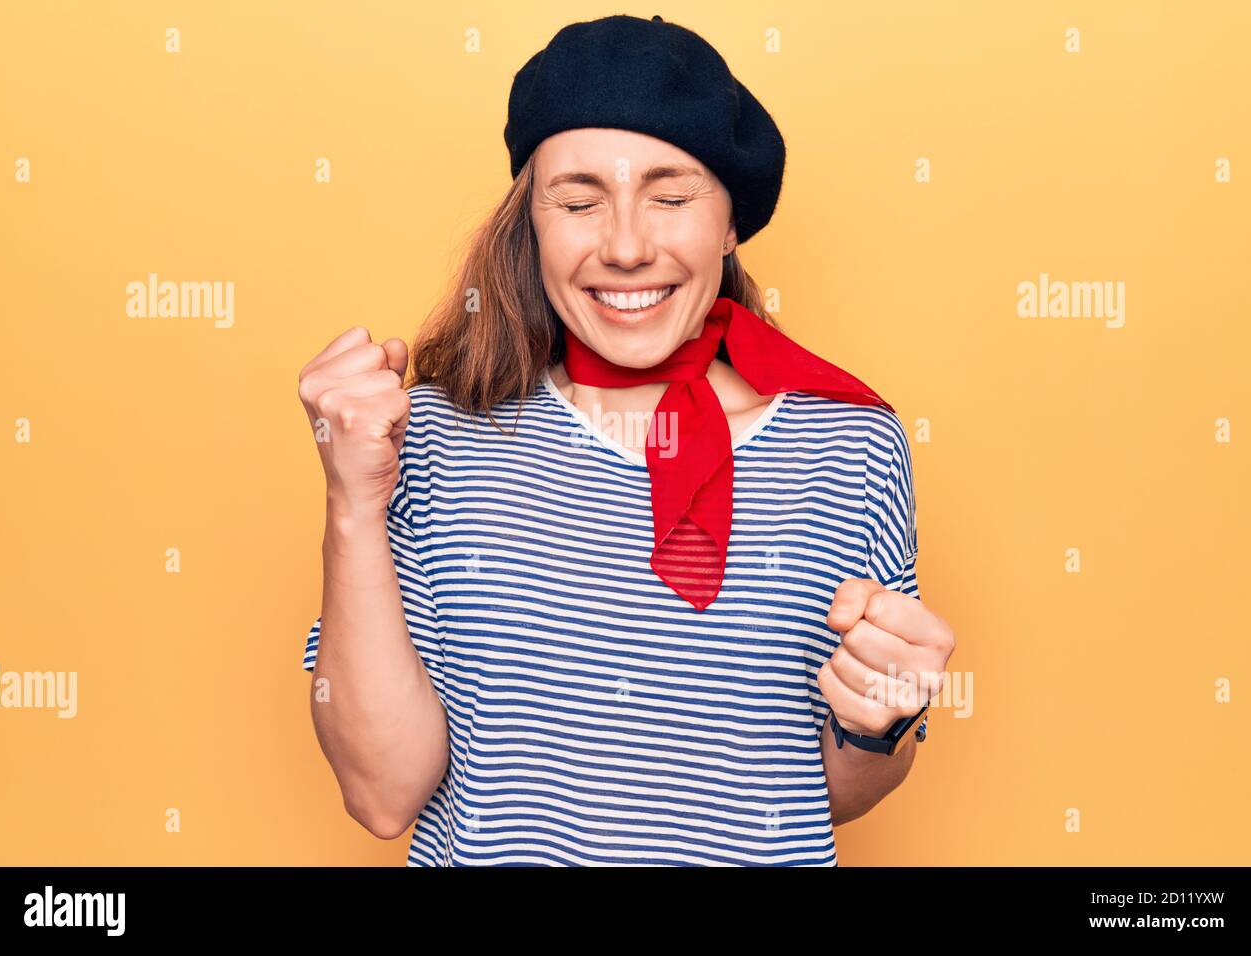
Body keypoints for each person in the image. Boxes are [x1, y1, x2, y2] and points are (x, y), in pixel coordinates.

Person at [296, 13, 956, 866]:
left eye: (671, 197)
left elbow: (831, 794)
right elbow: (382, 796)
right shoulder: (436, 434)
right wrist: (351, 497)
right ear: (529, 226)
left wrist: (880, 717)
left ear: (730, 224)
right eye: (577, 202)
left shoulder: (849, 444)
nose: (627, 246)